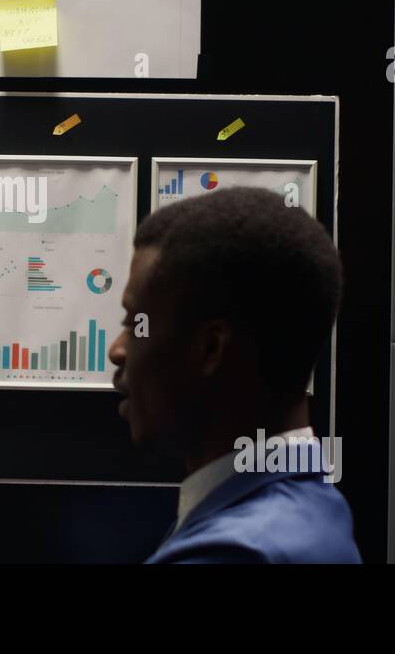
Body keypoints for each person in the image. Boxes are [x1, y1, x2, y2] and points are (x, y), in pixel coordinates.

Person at [107, 187, 360, 563]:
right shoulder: (313, 510)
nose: (117, 348)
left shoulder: (233, 553)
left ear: (211, 349)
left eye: (136, 323)